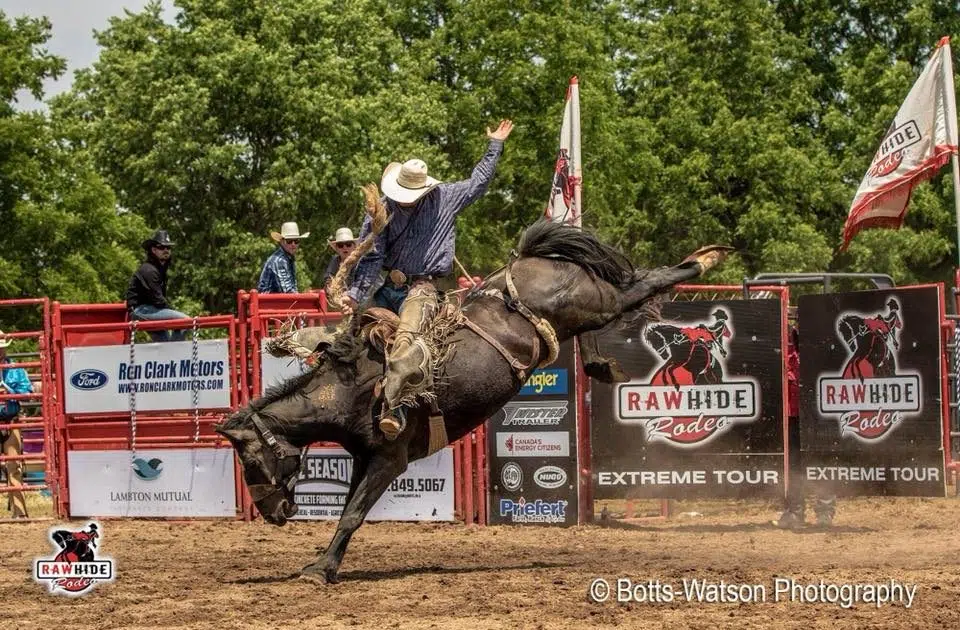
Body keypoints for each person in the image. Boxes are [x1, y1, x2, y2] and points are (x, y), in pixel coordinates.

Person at [340, 119, 514, 440]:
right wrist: (355, 293)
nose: (404, 198)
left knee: (407, 338)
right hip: (390, 286)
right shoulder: (384, 209)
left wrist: (495, 145)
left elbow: (479, 182)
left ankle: (395, 408)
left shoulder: (446, 197)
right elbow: (372, 255)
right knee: (356, 334)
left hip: (423, 287)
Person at [776, 325, 836, 528]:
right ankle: (794, 511)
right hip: (792, 415)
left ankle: (824, 512)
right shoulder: (785, 344)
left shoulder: (825, 342)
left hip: (819, 415)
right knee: (793, 465)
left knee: (823, 463)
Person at [125, 229, 190, 342]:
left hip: (152, 310)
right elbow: (158, 299)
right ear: (154, 250)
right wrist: (172, 311)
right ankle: (176, 350)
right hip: (141, 311)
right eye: (162, 247)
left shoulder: (159, 270)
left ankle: (171, 352)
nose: (166, 250)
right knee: (186, 321)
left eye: (168, 247)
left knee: (164, 344)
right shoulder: (149, 270)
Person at [0, 331, 33, 518]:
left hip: (10, 421)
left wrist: (10, 391)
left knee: (14, 467)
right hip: (9, 421)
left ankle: (19, 513)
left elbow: (27, 392)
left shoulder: (16, 369)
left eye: (2, 348)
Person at [258, 222, 309, 294]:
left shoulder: (288, 258)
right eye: (289, 241)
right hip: (270, 300)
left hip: (278, 299)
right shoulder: (279, 261)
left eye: (296, 241)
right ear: (281, 242)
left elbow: (292, 288)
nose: (293, 244)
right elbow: (287, 291)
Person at [323, 227, 357, 292]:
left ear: (354, 246)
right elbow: (328, 278)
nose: (344, 247)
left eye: (348, 244)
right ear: (337, 248)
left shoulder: (361, 261)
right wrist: (330, 288)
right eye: (340, 245)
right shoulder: (335, 260)